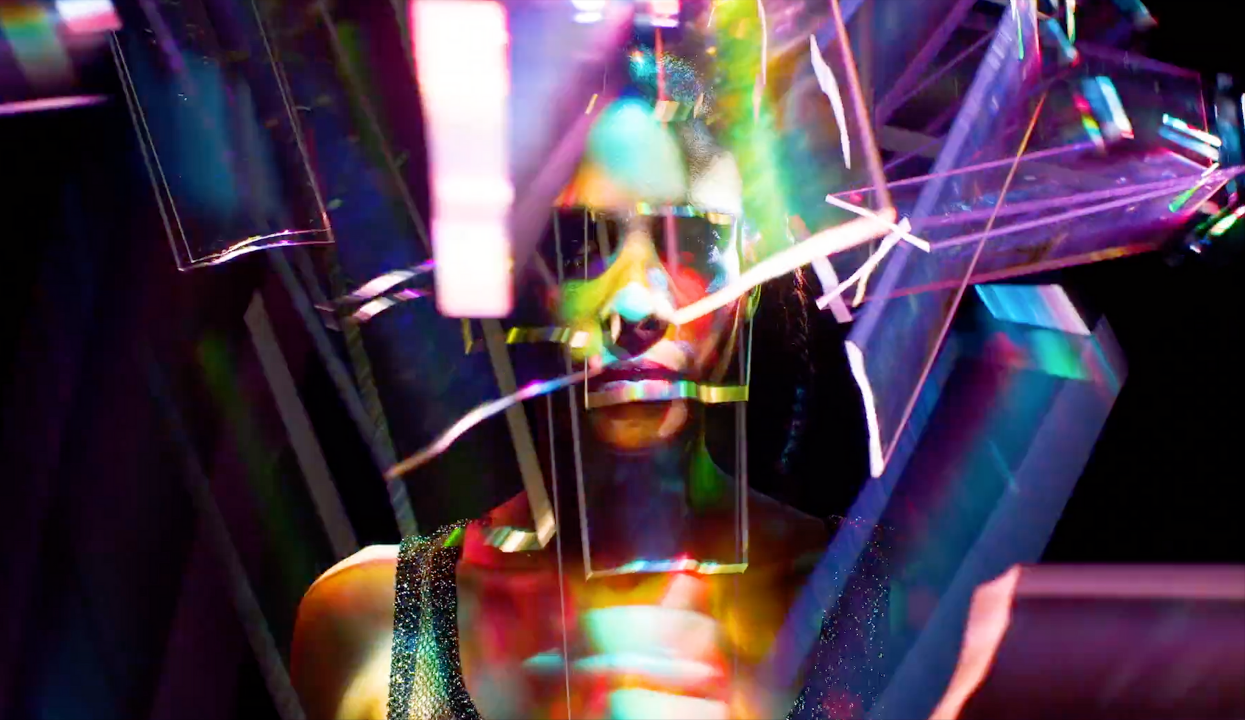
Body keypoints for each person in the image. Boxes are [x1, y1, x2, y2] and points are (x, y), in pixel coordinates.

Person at [292, 12, 889, 719]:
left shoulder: (865, 604)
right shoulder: (376, 625)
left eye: (691, 243)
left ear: (751, 276)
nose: (635, 304)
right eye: (580, 244)